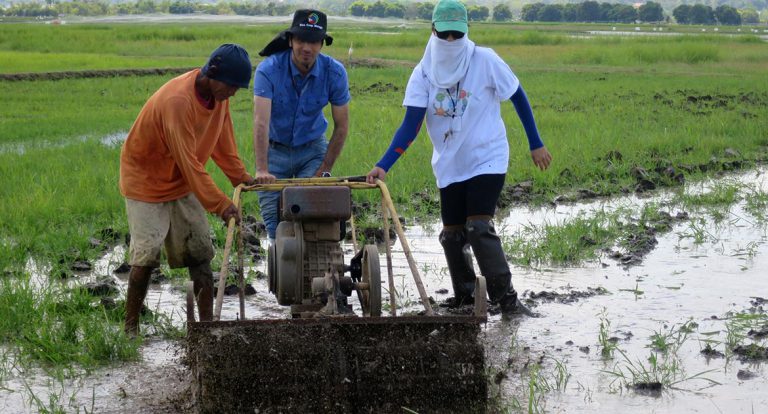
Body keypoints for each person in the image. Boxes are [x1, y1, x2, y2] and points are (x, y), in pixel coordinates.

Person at [366, 0, 552, 315]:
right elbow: (410, 126)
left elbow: (517, 95)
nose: (451, 41)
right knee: (452, 236)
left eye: (457, 34)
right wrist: (384, 165)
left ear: (466, 32)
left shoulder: (485, 60)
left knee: (478, 227)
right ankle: (466, 300)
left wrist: (535, 142)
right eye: (445, 35)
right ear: (434, 30)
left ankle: (507, 301)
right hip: (450, 164)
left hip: (487, 157)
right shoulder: (423, 73)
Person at [119, 44, 255, 335]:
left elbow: (223, 144)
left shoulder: (219, 99)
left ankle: (205, 328)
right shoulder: (178, 101)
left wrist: (241, 179)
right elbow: (189, 162)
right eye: (231, 86)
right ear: (212, 74)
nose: (233, 93)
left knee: (200, 252)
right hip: (146, 180)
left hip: (182, 180)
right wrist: (220, 204)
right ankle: (130, 328)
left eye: (237, 89)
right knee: (146, 255)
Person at [252, 9, 351, 242]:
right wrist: (262, 170)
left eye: (314, 42)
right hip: (275, 151)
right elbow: (260, 122)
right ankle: (282, 266)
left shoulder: (334, 72)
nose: (307, 48)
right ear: (290, 40)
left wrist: (325, 169)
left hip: (312, 149)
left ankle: (313, 269)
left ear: (321, 44)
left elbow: (342, 126)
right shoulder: (269, 70)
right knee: (274, 225)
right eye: (301, 40)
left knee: (311, 214)